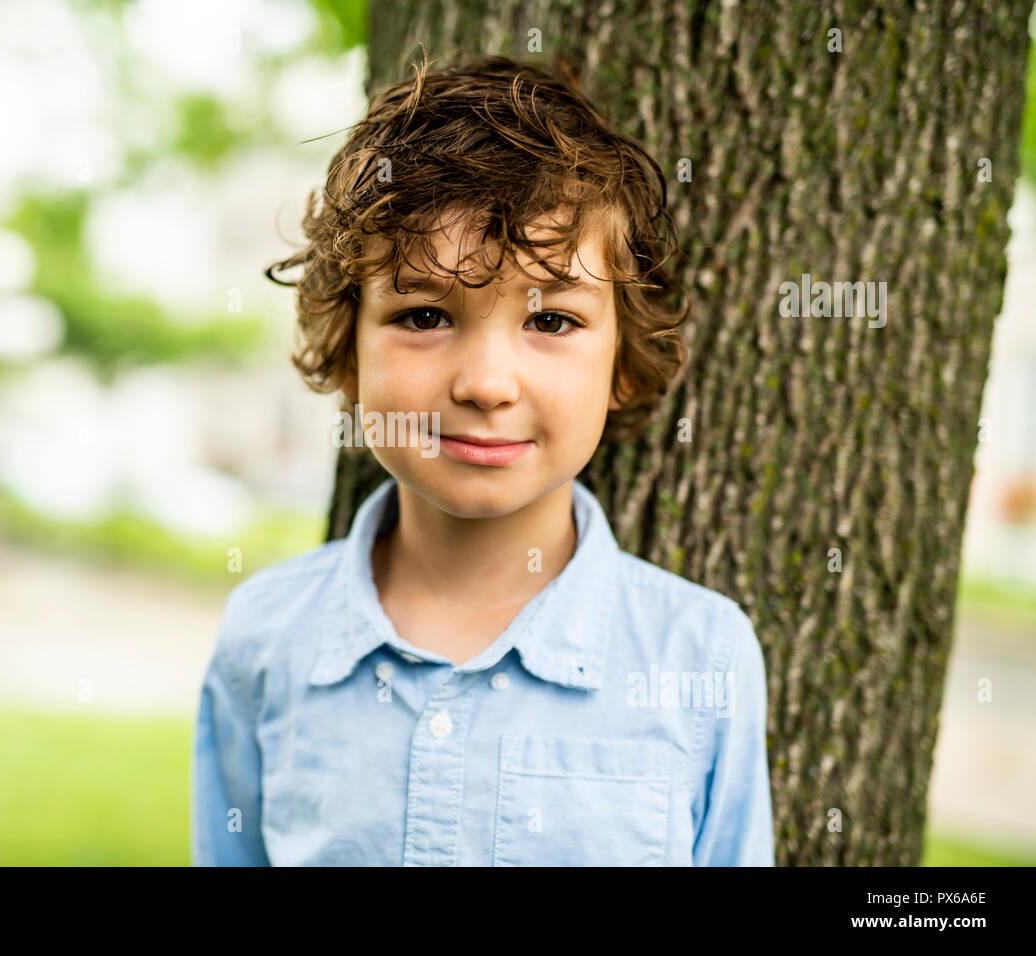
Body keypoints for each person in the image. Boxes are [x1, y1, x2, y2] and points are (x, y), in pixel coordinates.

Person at [190, 53, 774, 866]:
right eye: (426, 315)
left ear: (625, 362)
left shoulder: (701, 655)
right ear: (348, 349)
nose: (487, 384)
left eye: (555, 321)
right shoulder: (266, 638)